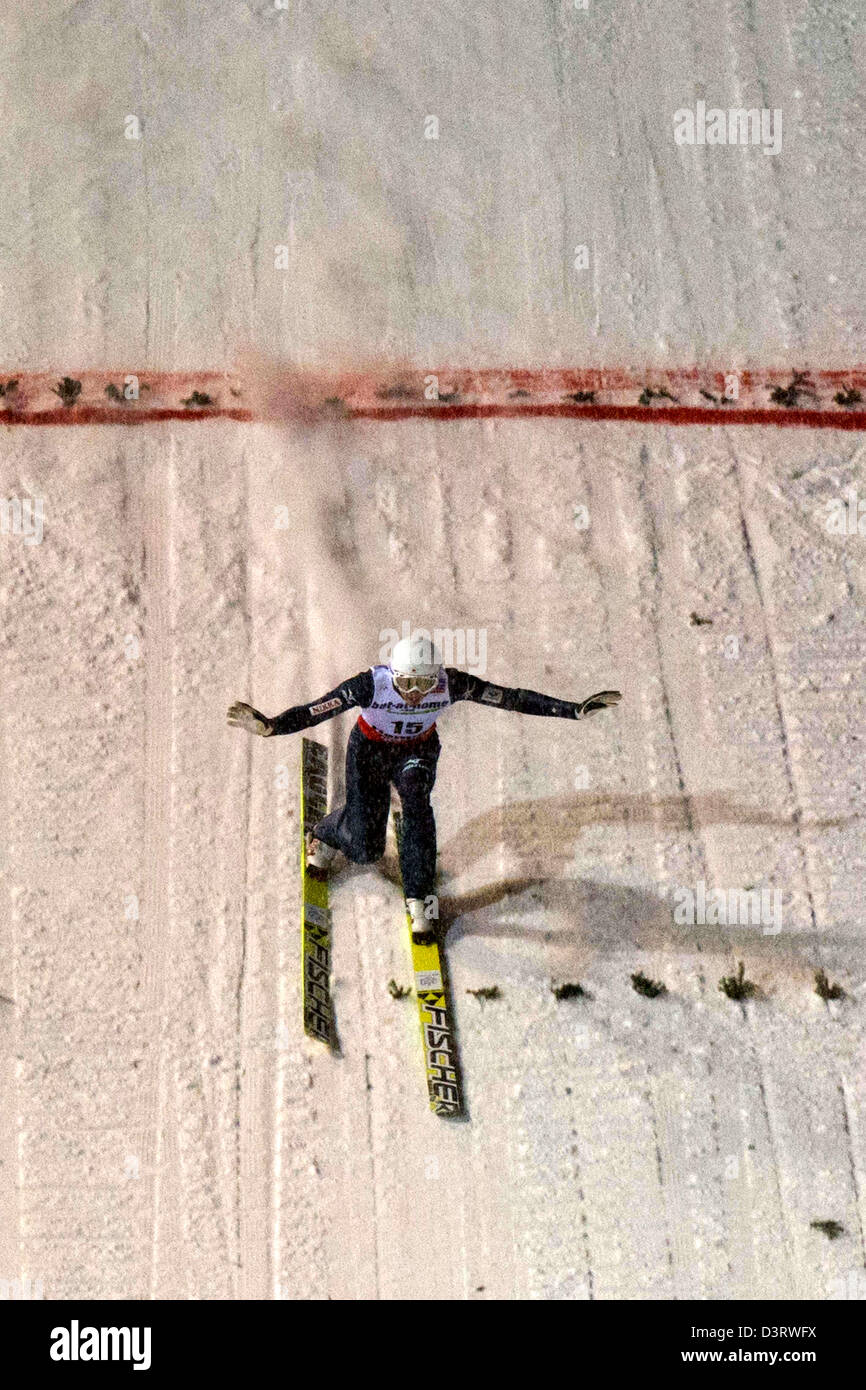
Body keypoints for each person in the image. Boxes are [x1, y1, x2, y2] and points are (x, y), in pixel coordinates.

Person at [228, 634, 621, 939]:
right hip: (368, 750)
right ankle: (328, 833)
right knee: (366, 847)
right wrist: (273, 726)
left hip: (416, 753)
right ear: (392, 674)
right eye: (406, 682)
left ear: (437, 677)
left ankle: (418, 893)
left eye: (423, 682)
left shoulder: (451, 684)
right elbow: (319, 708)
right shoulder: (370, 684)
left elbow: (512, 699)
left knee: (416, 800)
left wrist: (572, 710)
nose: (414, 692)